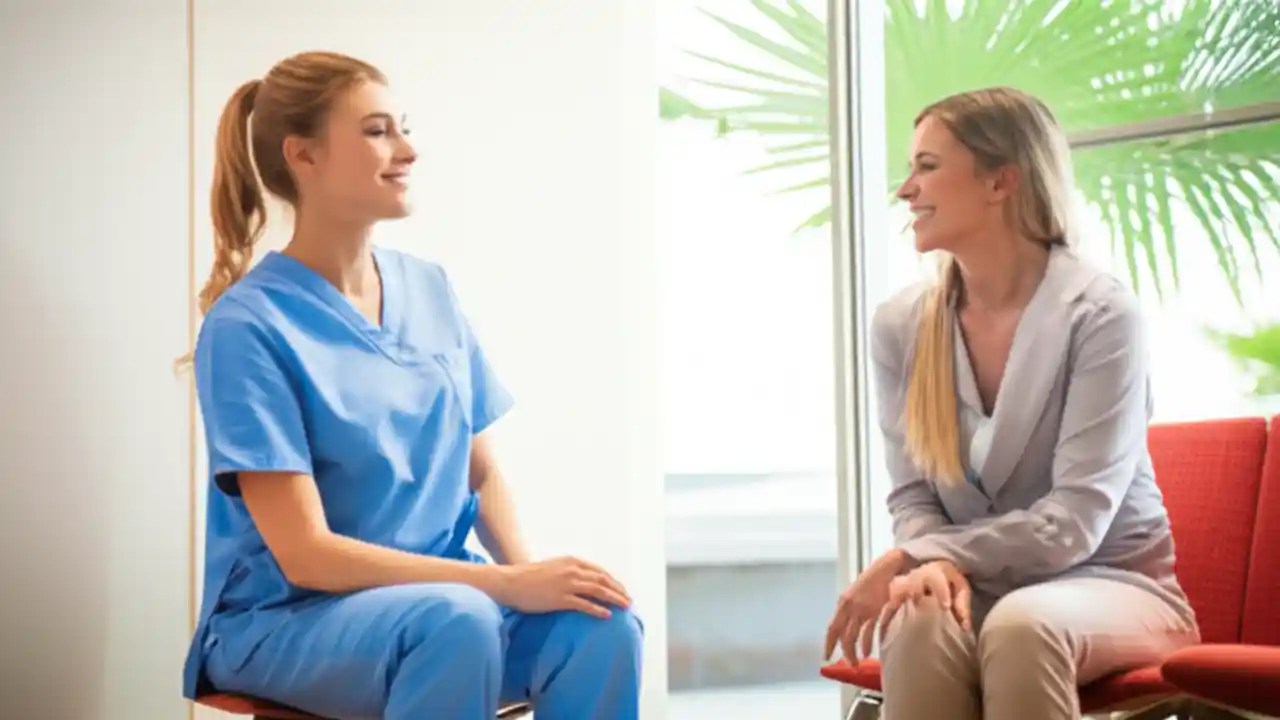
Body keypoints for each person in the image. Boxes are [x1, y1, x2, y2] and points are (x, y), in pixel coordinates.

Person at [179, 51, 643, 720]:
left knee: (602, 626)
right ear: (303, 156)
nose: (408, 149)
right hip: (289, 622)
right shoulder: (247, 325)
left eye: (403, 126)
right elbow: (306, 555)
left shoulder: (429, 288)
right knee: (455, 621)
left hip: (446, 607)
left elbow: (479, 477)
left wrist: (539, 584)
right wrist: (506, 583)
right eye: (376, 131)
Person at [823, 87, 1200, 719]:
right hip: (980, 588)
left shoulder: (1102, 315)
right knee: (917, 621)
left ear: (1001, 181)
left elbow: (1073, 523)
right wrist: (929, 563)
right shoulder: (901, 326)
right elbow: (914, 497)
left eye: (928, 166)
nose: (905, 190)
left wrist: (921, 555)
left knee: (1023, 627)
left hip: (1113, 585)